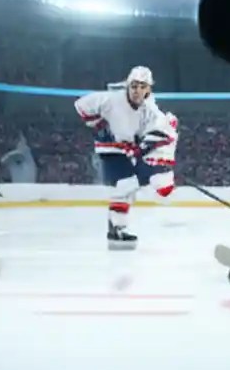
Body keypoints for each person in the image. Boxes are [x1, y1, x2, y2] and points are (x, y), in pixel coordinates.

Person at [74, 67, 178, 249]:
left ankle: (117, 228)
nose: (137, 91)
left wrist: (144, 146)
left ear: (148, 89)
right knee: (124, 186)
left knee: (128, 187)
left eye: (142, 87)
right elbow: (81, 106)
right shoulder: (111, 99)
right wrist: (99, 124)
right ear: (128, 86)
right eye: (134, 86)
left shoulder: (150, 109)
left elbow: (157, 131)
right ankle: (116, 228)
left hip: (127, 151)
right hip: (110, 149)